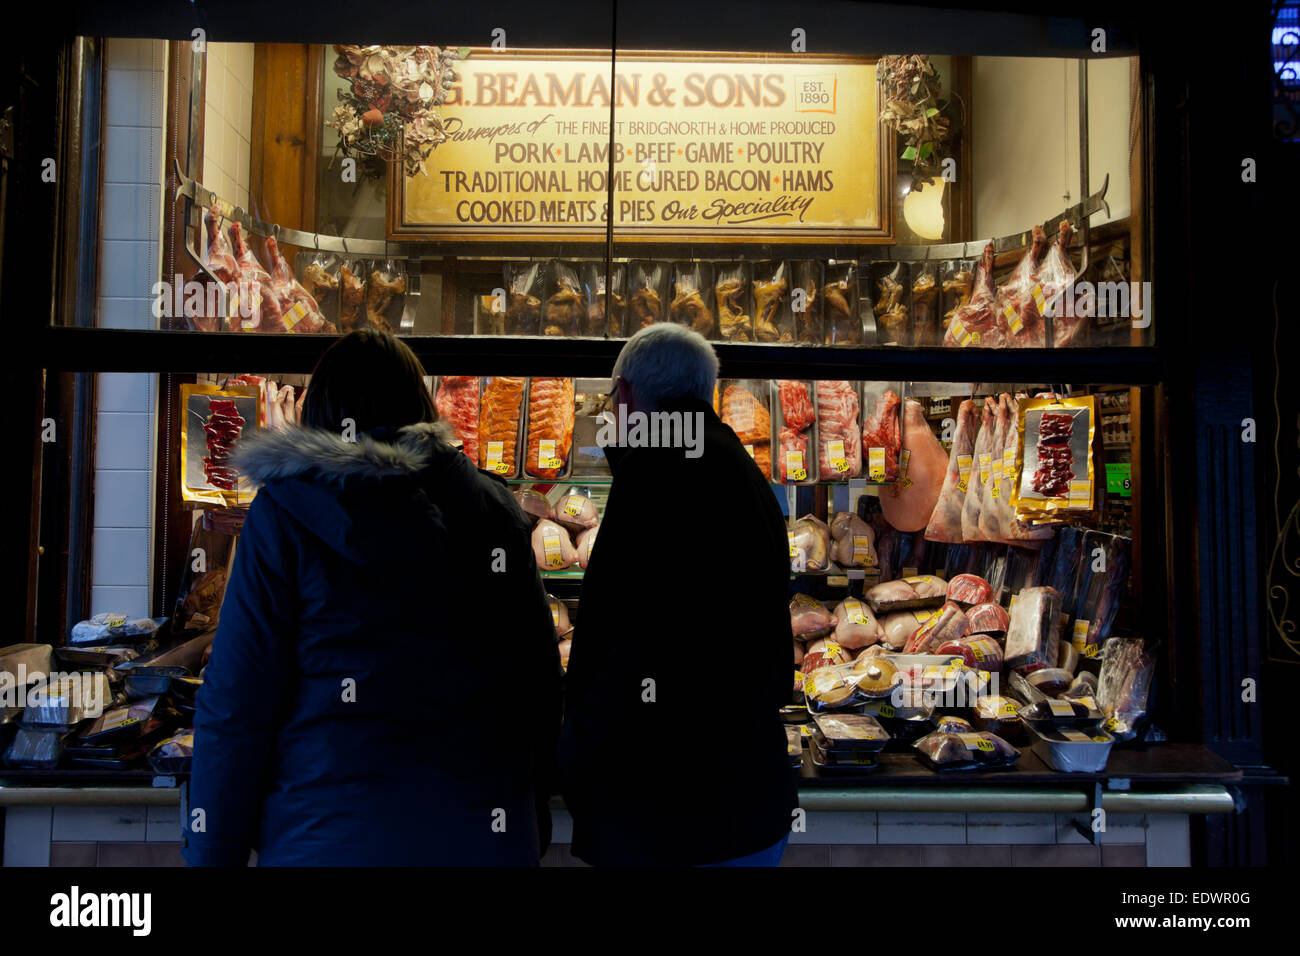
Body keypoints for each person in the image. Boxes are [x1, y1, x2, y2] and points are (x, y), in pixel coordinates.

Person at [185, 329, 561, 866]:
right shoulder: (493, 507)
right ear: (423, 407)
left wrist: (211, 852)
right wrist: (529, 813)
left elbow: (238, 702)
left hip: (327, 836)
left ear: (319, 411)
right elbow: (537, 682)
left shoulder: (285, 512)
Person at [560, 324, 797, 866]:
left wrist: (578, 758)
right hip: (746, 798)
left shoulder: (656, 474)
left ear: (625, 395)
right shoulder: (738, 466)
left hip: (667, 813)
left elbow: (617, 642)